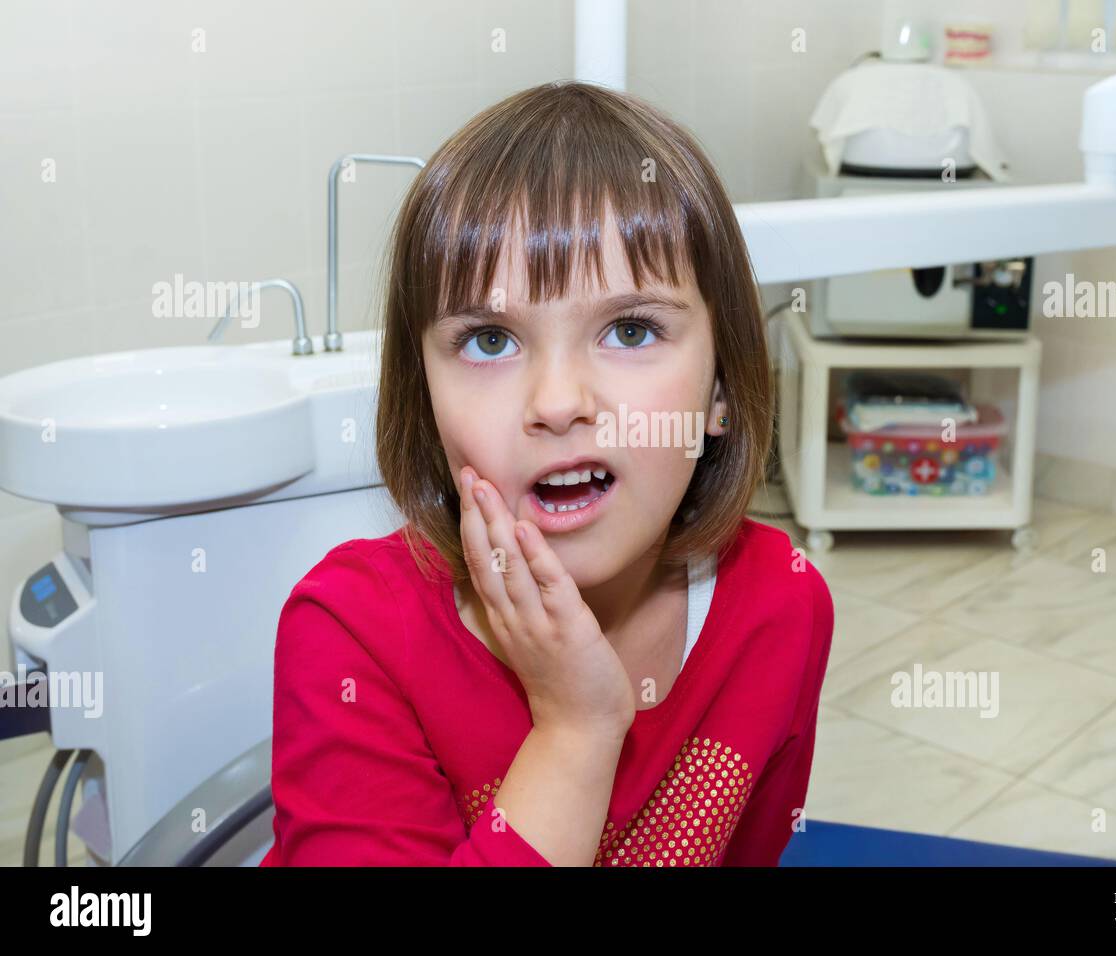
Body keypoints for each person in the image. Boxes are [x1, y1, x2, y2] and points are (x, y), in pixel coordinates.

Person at [260, 80, 833, 867]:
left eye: (631, 330)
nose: (559, 404)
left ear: (722, 390)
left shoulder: (782, 602)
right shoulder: (351, 631)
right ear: (423, 400)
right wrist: (576, 731)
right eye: (491, 341)